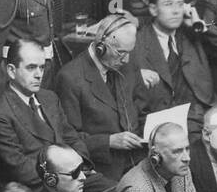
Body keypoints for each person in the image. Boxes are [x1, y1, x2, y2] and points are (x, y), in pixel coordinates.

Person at [0, 39, 108, 192]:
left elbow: (73, 138)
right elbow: (18, 168)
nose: (38, 75)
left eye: (42, 67)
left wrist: (77, 169)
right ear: (11, 71)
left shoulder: (49, 98)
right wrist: (63, 177)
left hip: (75, 177)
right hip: (41, 191)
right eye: (31, 68)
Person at [133, 0, 217, 134]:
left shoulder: (193, 34)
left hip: (204, 115)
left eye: (180, 4)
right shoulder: (137, 41)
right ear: (153, 9)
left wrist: (202, 26)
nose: (176, 11)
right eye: (168, 4)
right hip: (162, 123)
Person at [54, 13, 148, 182]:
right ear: (101, 47)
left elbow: (143, 108)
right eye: (120, 53)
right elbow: (69, 137)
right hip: (103, 170)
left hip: (139, 160)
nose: (126, 60)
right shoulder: (70, 78)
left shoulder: (127, 61)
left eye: (129, 52)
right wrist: (108, 141)